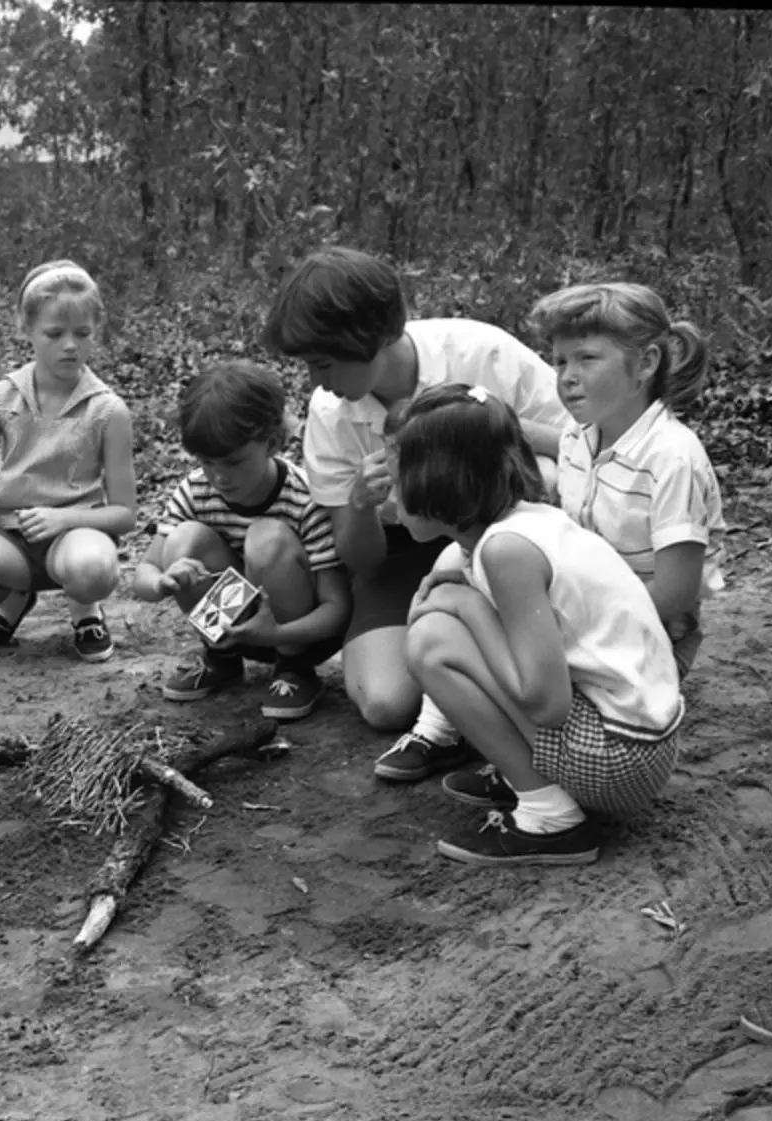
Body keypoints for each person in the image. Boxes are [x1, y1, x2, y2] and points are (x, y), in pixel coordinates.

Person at [262, 246, 569, 780]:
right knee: (383, 703)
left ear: (367, 339)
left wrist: (493, 429)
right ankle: (471, 707)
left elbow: (581, 447)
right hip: (406, 546)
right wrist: (359, 504)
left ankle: (505, 700)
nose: (316, 378)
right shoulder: (330, 413)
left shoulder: (481, 354)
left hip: (511, 535)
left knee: (553, 481)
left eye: (323, 362)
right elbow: (359, 556)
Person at [441, 282, 727, 810]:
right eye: (560, 361)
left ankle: (548, 776)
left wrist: (558, 627)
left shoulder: (672, 460)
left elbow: (677, 595)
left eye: (587, 358)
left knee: (476, 631)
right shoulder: (582, 437)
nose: (567, 377)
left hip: (650, 632)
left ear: (646, 364)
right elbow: (525, 434)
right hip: (590, 612)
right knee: (471, 591)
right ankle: (508, 747)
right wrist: (460, 415)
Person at [397, 383, 683, 865]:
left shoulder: (507, 551)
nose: (390, 498)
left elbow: (547, 705)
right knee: (443, 624)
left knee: (432, 644)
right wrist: (461, 594)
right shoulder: (525, 524)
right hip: (639, 741)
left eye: (395, 480)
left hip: (619, 759)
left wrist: (468, 608)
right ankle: (523, 771)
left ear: (438, 481)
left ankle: (548, 818)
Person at [0, 260, 136, 662]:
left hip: (76, 536)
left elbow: (124, 514)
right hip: (8, 540)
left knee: (93, 571)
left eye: (82, 334)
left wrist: (66, 519)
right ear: (27, 329)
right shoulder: (0, 398)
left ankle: (85, 609)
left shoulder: (107, 411)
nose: (70, 345)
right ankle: (17, 595)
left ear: (95, 332)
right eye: (54, 333)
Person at [131, 361, 351, 720]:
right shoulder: (195, 491)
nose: (219, 476)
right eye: (206, 462)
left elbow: (337, 609)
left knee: (266, 537)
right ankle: (221, 657)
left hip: (297, 633)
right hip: (238, 627)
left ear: (272, 442)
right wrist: (163, 581)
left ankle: (293, 669)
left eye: (233, 462)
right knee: (184, 539)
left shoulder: (304, 499)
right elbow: (144, 575)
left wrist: (278, 634)